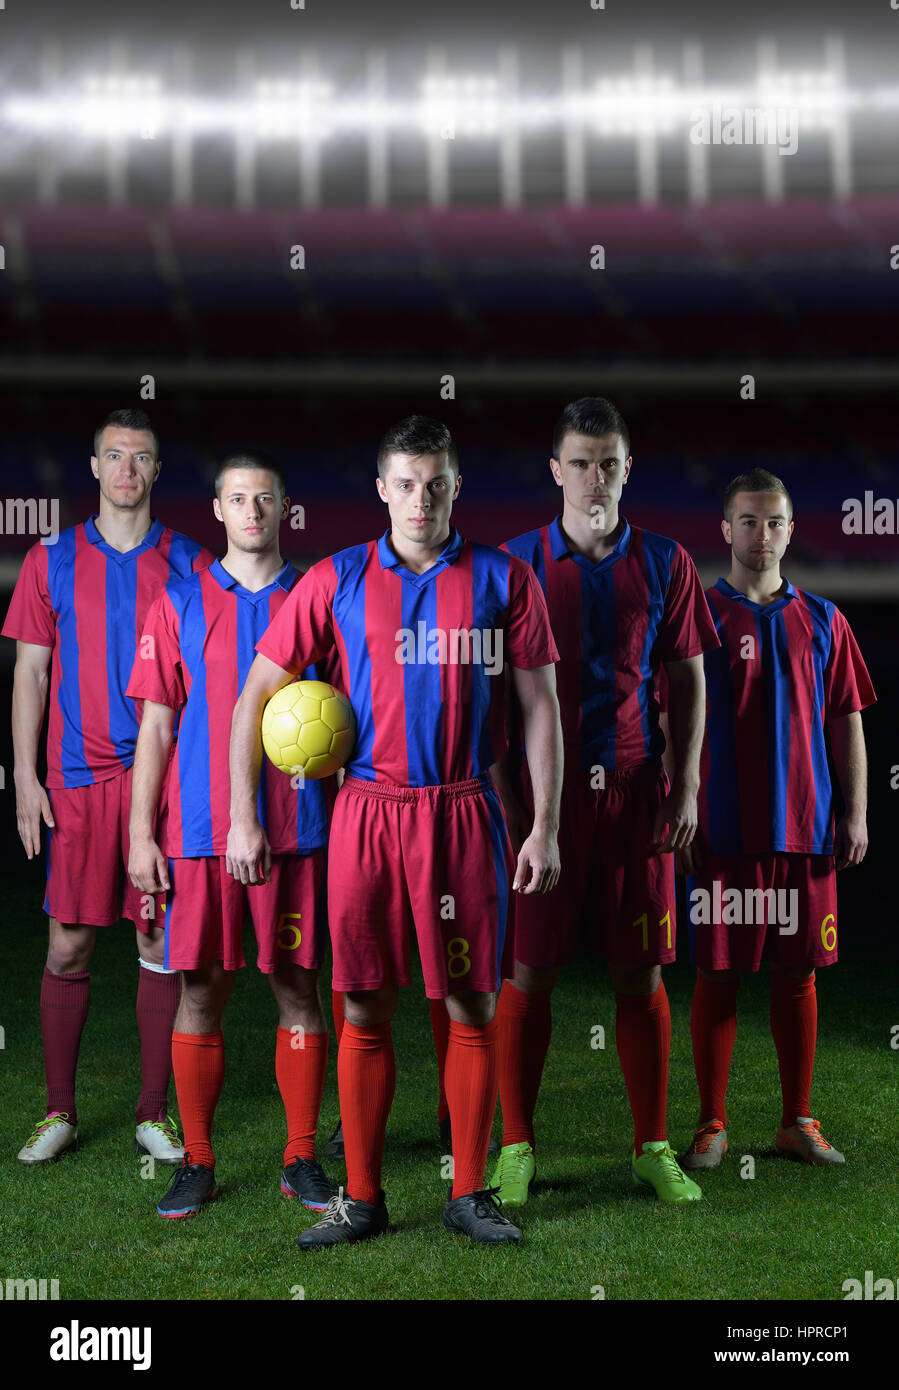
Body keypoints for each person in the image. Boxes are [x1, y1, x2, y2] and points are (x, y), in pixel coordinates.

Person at [228, 415, 563, 1247]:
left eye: (436, 483)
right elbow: (253, 698)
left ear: (456, 486)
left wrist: (545, 827)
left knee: (469, 1003)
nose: (421, 499)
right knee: (363, 1005)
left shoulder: (502, 579)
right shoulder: (336, 580)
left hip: (461, 811)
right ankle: (363, 1197)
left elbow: (540, 709)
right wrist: (243, 815)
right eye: (405, 483)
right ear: (381, 489)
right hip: (367, 815)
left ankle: (469, 1193)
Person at [490, 396, 719, 1208]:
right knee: (530, 972)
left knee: (639, 972)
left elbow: (689, 679)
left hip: (632, 793)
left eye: (608, 464)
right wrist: (514, 808)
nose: (594, 478)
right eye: (580, 463)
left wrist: (685, 782)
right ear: (555, 471)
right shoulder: (513, 566)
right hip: (545, 797)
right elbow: (495, 707)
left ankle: (650, 1146)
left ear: (627, 470)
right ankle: (515, 1146)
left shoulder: (666, 562)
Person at [127, 451, 336, 1218]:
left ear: (285, 509)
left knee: (296, 987)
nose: (251, 512)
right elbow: (155, 729)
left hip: (295, 830)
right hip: (197, 833)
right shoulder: (177, 602)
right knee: (201, 992)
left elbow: (346, 719)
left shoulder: (316, 598)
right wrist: (139, 837)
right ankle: (200, 1159)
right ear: (217, 510)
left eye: (264, 499)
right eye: (236, 499)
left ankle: (302, 1156)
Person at [3, 408, 213, 1165]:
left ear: (158, 471)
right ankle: (59, 1110)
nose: (127, 468)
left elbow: (209, 673)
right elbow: (29, 672)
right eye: (114, 455)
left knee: (157, 939)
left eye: (142, 457)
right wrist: (25, 777)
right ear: (93, 467)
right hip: (77, 780)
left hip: (157, 784)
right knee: (67, 945)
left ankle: (153, 1114)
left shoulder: (190, 561)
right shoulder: (49, 557)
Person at [675, 469, 875, 1170]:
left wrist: (854, 811)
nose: (762, 535)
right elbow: (670, 721)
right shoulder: (695, 618)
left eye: (775, 522)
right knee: (717, 975)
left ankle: (796, 1120)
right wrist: (682, 807)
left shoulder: (823, 619)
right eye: (748, 521)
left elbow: (846, 719)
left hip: (805, 830)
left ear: (792, 530)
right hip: (722, 830)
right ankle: (710, 1124)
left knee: (798, 976)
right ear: (725, 529)